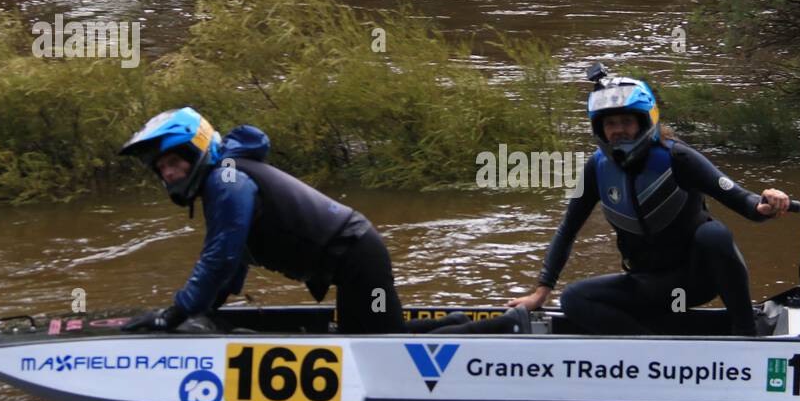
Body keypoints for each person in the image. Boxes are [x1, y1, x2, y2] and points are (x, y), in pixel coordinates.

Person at [119, 108, 528, 335]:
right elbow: (234, 263)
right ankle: (463, 324)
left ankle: (505, 329)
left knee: (374, 346)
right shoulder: (224, 181)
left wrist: (174, 313)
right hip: (354, 254)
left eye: (175, 161)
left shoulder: (227, 182)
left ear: (198, 152)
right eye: (162, 168)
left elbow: (221, 255)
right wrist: (206, 311)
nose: (170, 173)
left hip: (355, 257)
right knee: (383, 333)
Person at [507, 70, 791, 336]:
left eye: (627, 122)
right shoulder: (596, 169)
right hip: (648, 284)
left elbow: (745, 202)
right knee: (574, 298)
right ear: (600, 128)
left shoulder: (678, 158)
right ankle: (649, 347)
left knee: (713, 234)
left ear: (644, 121)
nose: (619, 130)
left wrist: (766, 203)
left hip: (696, 280)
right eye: (610, 124)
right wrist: (541, 292)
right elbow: (568, 229)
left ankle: (745, 336)